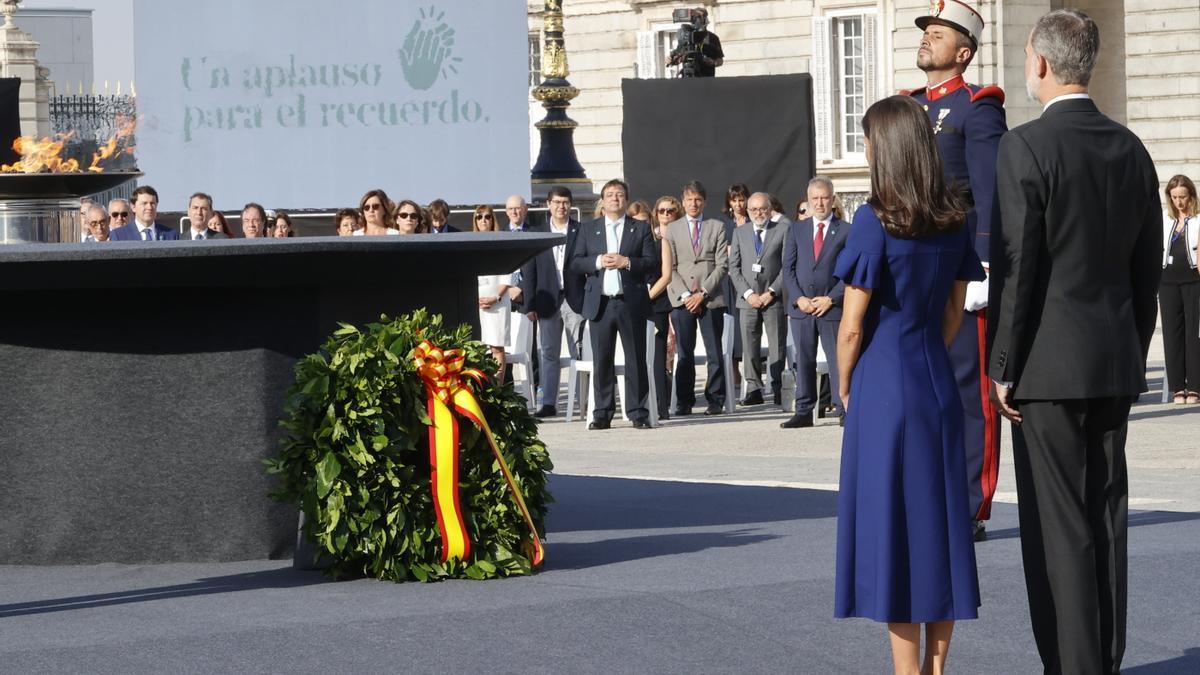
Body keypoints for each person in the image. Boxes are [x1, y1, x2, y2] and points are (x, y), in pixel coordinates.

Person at [988, 11, 1161, 673]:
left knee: (1058, 527)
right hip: (1112, 360)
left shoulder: (1025, 148)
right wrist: (1131, 346)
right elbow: (1144, 272)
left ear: (1039, 64)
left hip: (1046, 367)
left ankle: (1074, 664)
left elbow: (1019, 266)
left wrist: (1002, 364)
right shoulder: (1131, 149)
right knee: (1106, 518)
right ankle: (1104, 660)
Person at [833, 94, 983, 675]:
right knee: (940, 529)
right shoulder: (954, 217)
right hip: (935, 381)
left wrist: (847, 384)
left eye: (870, 140)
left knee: (894, 533)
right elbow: (953, 314)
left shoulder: (875, 219)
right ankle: (937, 671)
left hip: (884, 384)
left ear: (885, 149)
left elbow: (850, 327)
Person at [910, 0, 1007, 541]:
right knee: (923, 386)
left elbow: (991, 191)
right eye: (927, 31)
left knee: (971, 390)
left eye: (940, 33)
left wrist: (986, 264)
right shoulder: (907, 107)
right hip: (914, 269)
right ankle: (930, 490)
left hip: (960, 268)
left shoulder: (978, 107)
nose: (927, 38)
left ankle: (972, 503)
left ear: (963, 52)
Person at [568, 179, 656, 430]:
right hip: (601, 304)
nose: (614, 199)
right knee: (602, 359)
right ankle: (603, 413)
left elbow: (651, 263)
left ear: (626, 200)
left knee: (636, 359)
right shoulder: (589, 229)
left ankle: (638, 411)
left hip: (630, 302)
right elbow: (576, 263)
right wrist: (597, 262)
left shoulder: (639, 228)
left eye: (619, 195)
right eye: (610, 195)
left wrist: (626, 262)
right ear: (602, 201)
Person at [780, 177, 850, 428]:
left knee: (837, 360)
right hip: (803, 309)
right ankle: (803, 410)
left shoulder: (846, 231)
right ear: (808, 200)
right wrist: (799, 298)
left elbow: (850, 272)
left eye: (824, 198)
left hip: (831, 307)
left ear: (832, 199)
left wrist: (831, 298)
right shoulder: (796, 229)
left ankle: (843, 409)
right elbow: (787, 269)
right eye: (815, 198)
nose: (819, 203)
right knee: (804, 359)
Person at [665, 180, 729, 416]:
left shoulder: (717, 227)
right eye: (689, 199)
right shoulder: (672, 229)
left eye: (698, 199)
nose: (694, 204)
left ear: (704, 202)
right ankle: (684, 401)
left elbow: (722, 265)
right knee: (684, 352)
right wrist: (685, 295)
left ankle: (715, 399)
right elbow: (669, 267)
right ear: (683, 202)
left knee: (714, 351)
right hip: (682, 299)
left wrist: (702, 293)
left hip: (709, 297)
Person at [519, 187, 584, 418]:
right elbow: (530, 270)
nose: (561, 207)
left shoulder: (580, 230)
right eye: (556, 202)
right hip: (547, 298)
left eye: (565, 202)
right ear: (548, 204)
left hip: (575, 298)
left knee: (580, 350)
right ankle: (548, 403)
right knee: (548, 353)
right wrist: (530, 304)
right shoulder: (538, 232)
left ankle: (584, 401)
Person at [729, 192, 788, 407]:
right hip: (748, 300)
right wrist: (748, 294)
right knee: (749, 346)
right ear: (748, 211)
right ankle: (753, 388)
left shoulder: (782, 230)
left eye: (763, 209)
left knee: (777, 346)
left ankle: (778, 386)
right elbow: (733, 268)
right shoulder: (739, 233)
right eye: (754, 209)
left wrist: (771, 292)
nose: (758, 213)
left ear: (770, 208)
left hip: (773, 298)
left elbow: (786, 267)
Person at [1160, 174, 1200, 403]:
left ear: (1191, 196)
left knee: (1193, 333)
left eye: (1183, 197)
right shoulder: (1165, 218)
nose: (1179, 202)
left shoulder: (1198, 218)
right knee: (1171, 333)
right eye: (1174, 197)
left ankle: (1194, 386)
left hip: (1194, 281)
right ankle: (1177, 387)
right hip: (1167, 282)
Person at [648, 196, 682, 420]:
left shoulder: (676, 236)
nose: (666, 214)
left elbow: (668, 275)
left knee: (664, 357)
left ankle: (664, 404)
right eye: (662, 211)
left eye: (670, 210)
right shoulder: (652, 240)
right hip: (655, 302)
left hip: (675, 299)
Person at [474, 204, 513, 371]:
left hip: (497, 302)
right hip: (476, 304)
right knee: (476, 348)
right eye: (479, 217)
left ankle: (497, 390)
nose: (483, 220)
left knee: (496, 348)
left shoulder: (501, 241)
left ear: (493, 219)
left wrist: (495, 297)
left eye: (487, 216)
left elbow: (507, 275)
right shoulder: (469, 242)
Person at [722, 183, 751, 389]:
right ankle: (733, 372)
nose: (739, 204)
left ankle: (752, 374)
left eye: (742, 199)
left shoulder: (754, 221)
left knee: (747, 329)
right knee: (730, 327)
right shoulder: (724, 224)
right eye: (735, 200)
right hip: (729, 283)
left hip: (750, 281)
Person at [666, 7, 723, 77]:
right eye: (695, 17)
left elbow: (720, 60)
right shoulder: (686, 37)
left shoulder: (713, 38)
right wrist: (671, 60)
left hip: (706, 78)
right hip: (687, 78)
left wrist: (713, 63)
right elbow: (677, 56)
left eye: (699, 17)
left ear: (705, 19)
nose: (697, 20)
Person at [108, 186, 178, 241]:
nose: (149, 207)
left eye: (152, 203)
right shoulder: (118, 235)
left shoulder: (171, 234)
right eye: (144, 203)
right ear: (133, 207)